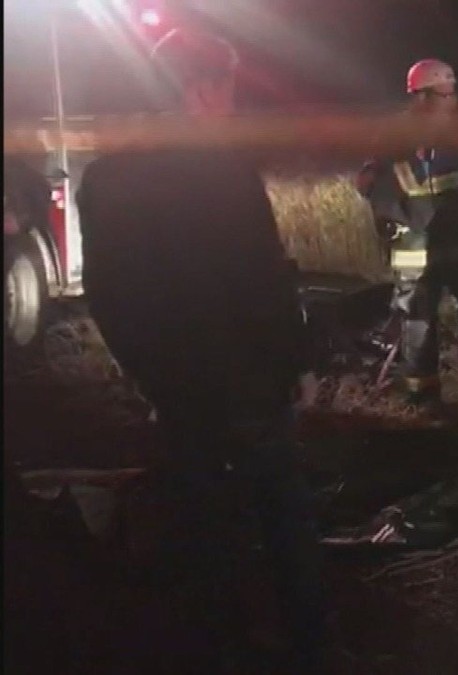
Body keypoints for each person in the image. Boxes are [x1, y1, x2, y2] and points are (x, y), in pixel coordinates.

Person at [76, 27, 327, 671]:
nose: (231, 106)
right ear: (200, 89)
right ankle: (310, 645)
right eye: (227, 90)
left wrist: (146, 374)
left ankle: (224, 645)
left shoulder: (108, 179)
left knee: (204, 520)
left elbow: (107, 294)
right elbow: (263, 281)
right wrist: (296, 363)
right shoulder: (224, 173)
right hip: (248, 381)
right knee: (283, 516)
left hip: (178, 385)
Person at [355, 58, 458, 404]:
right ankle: (424, 394)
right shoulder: (394, 134)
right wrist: (395, 220)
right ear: (421, 97)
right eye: (443, 94)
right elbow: (367, 184)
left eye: (452, 93)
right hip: (416, 244)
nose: (451, 100)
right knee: (419, 320)